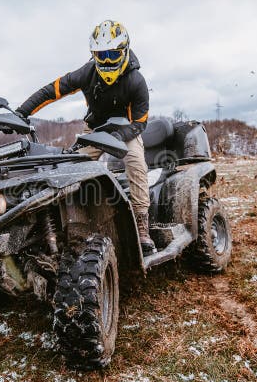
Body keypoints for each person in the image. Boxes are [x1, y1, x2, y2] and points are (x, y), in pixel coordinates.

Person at [15, 20, 156, 255]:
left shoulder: (136, 81)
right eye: (101, 55)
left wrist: (120, 135)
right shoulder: (87, 72)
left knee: (136, 163)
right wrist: (23, 111)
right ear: (93, 55)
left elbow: (140, 123)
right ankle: (71, 222)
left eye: (113, 54)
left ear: (124, 51)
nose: (107, 61)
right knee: (70, 167)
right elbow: (53, 90)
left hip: (125, 130)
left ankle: (142, 224)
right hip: (95, 130)